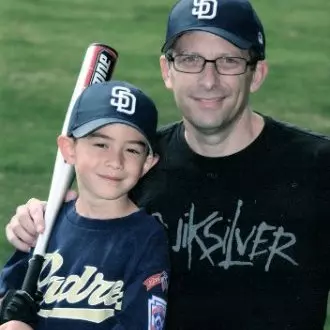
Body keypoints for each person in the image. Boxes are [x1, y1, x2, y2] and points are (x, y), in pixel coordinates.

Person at [3, 0, 330, 329]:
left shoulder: (318, 167)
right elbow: (80, 234)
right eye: (190, 59)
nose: (208, 79)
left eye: (229, 61)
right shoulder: (133, 165)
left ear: (256, 73)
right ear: (166, 71)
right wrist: (40, 220)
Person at [0, 81, 170, 330]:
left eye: (132, 150)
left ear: (147, 163)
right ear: (68, 149)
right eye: (101, 144)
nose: (115, 161)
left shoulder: (145, 238)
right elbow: (7, 293)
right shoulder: (45, 224)